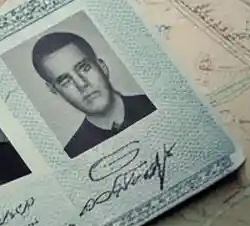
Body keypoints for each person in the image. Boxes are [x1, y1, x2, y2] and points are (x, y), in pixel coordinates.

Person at [30, 30, 156, 158]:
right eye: (65, 81)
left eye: (85, 68)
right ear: (54, 90)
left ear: (102, 67)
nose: (81, 84)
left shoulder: (154, 103)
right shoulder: (73, 152)